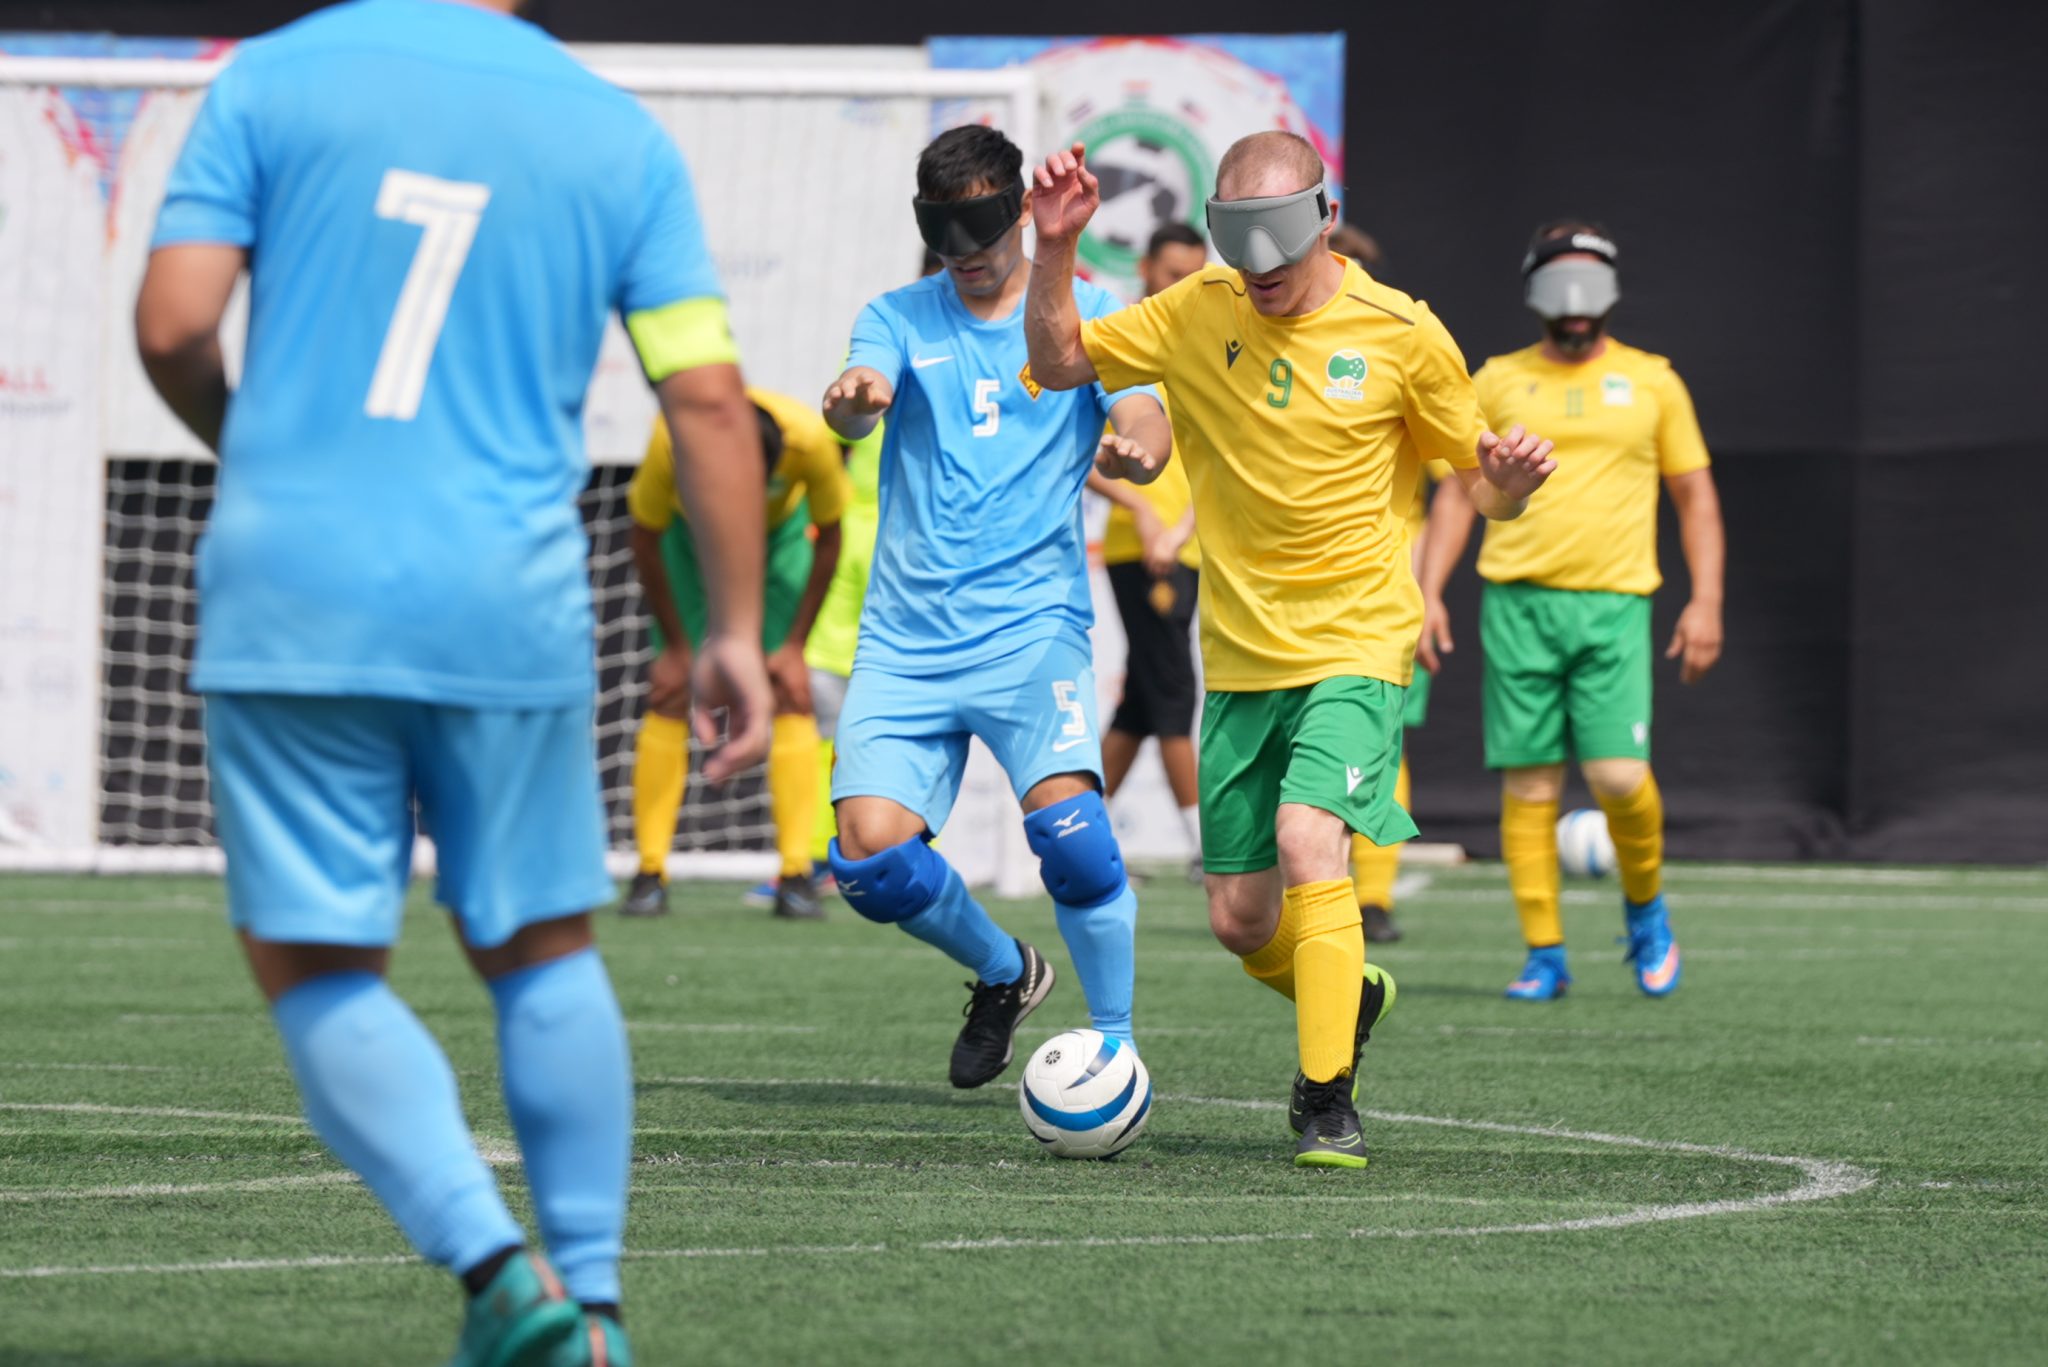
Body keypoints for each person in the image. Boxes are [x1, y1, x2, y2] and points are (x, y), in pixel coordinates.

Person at [133, 3, 772, 1362]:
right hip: (506, 598)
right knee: (541, 947)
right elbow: (711, 400)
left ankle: (495, 1267)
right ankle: (593, 1310)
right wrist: (732, 623)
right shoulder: (617, 133)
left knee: (317, 963)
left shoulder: (269, 77)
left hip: (293, 584)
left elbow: (175, 322)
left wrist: (256, 446)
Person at [1025, 132, 1555, 1169]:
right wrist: (1054, 248)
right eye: (1238, 236)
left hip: (1357, 638)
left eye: (1278, 234)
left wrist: (1510, 485)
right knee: (1238, 918)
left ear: (1324, 218)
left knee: (1311, 837)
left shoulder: (1403, 332)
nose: (1259, 263)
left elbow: (1478, 483)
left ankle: (1325, 1097)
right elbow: (1056, 363)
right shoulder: (1194, 309)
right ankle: (1344, 990)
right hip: (1240, 655)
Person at [821, 125, 1171, 1089]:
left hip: (1031, 633)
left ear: (1021, 212)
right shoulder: (895, 315)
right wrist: (853, 399)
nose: (963, 254)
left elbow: (1144, 414)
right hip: (907, 643)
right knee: (869, 861)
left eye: (979, 230)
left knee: (1078, 845)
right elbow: (855, 400)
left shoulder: (1091, 313)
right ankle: (1005, 972)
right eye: (943, 236)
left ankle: (1115, 1048)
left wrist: (1139, 446)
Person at [1417, 220, 1724, 1002]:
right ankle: (1544, 952)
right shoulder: (1497, 379)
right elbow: (1454, 492)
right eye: (1561, 283)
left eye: (1590, 283)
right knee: (1528, 785)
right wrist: (1427, 591)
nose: (1576, 304)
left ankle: (1647, 910)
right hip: (1517, 604)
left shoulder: (1654, 381)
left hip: (1614, 604)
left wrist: (1706, 601)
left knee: (1619, 777)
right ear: (1536, 292)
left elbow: (1695, 496)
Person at [617, 391, 844, 922]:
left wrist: (793, 645)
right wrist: (677, 647)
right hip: (688, 538)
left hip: (778, 540)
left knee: (790, 687)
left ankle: (795, 876)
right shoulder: (670, 442)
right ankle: (649, 872)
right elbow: (645, 537)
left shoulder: (810, 441)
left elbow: (831, 535)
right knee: (670, 687)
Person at [1087, 222, 1207, 880]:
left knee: (1140, 702)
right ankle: (1206, 849)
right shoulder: (1121, 341)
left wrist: (1183, 527)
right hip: (1140, 552)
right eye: (1170, 275)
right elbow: (1079, 454)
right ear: (1145, 269)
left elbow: (1221, 455)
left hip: (1182, 545)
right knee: (1173, 692)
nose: (1180, 287)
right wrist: (1140, 509)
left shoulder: (1208, 343)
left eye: (1193, 275)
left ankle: (1078, 837)